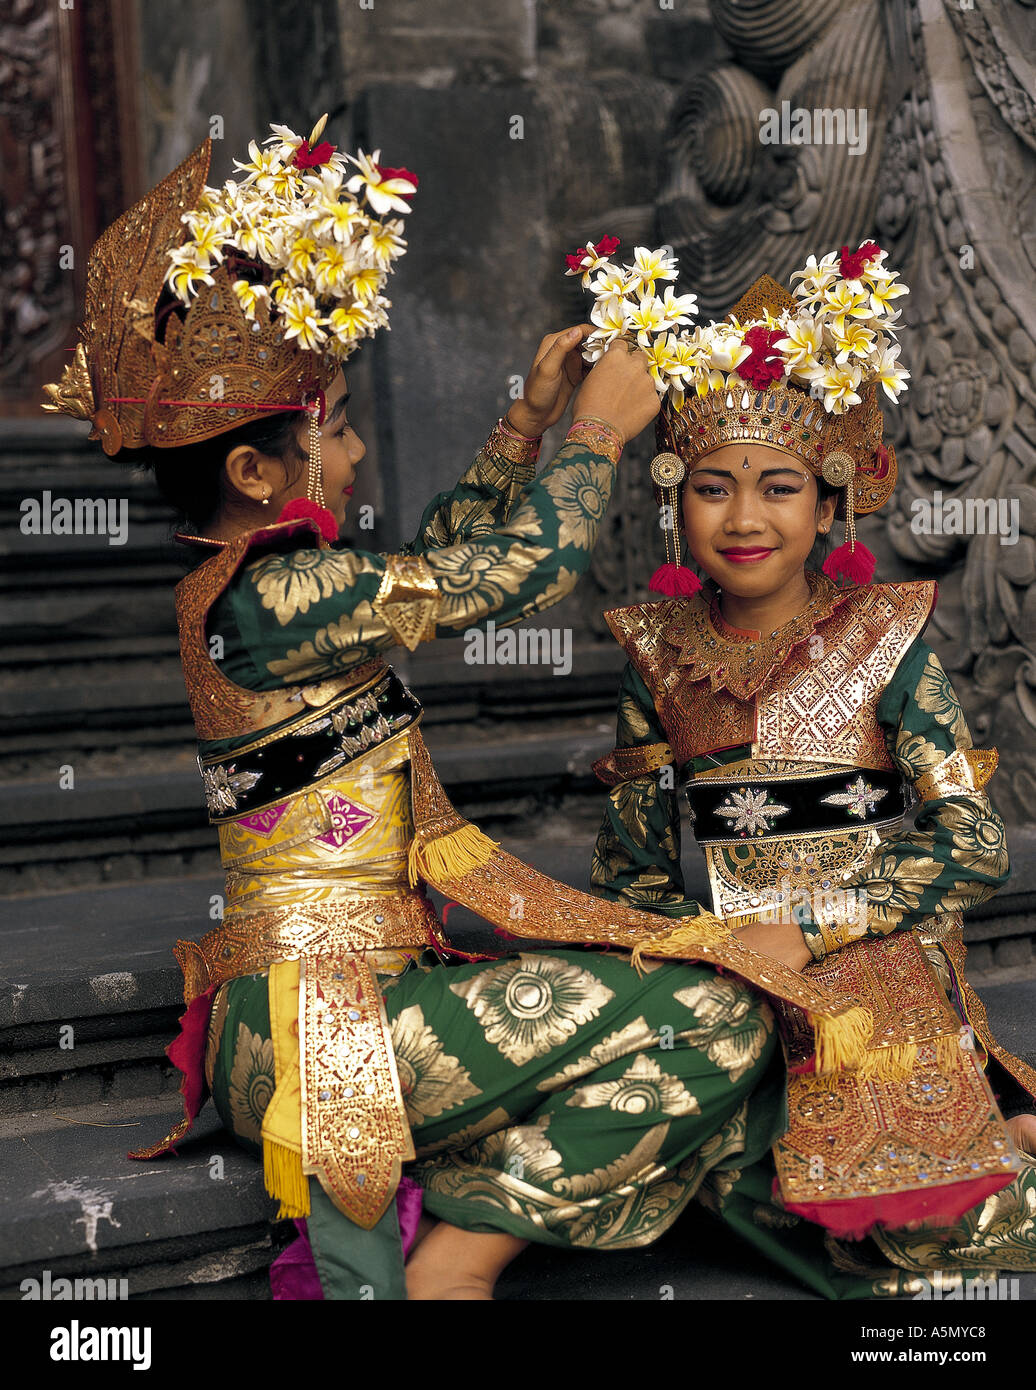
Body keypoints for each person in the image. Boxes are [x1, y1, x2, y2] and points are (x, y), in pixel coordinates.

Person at [45, 120, 819, 1300]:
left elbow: (440, 566)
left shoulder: (274, 584)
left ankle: (481, 1216)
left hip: (361, 989)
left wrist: (526, 423)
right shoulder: (266, 596)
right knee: (713, 1023)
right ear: (256, 473)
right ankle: (467, 1248)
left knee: (714, 1003)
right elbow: (512, 572)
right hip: (319, 1020)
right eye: (339, 425)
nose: (355, 452)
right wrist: (602, 431)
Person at [584, 242, 1036, 1295]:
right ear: (673, 498)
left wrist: (819, 924)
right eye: (711, 489)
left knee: (925, 1220)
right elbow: (630, 866)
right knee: (681, 1149)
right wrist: (700, 944)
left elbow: (974, 845)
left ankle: (984, 1140)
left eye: (778, 487)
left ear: (828, 504)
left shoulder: (886, 635)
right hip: (731, 963)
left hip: (868, 955)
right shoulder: (655, 650)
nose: (744, 519)